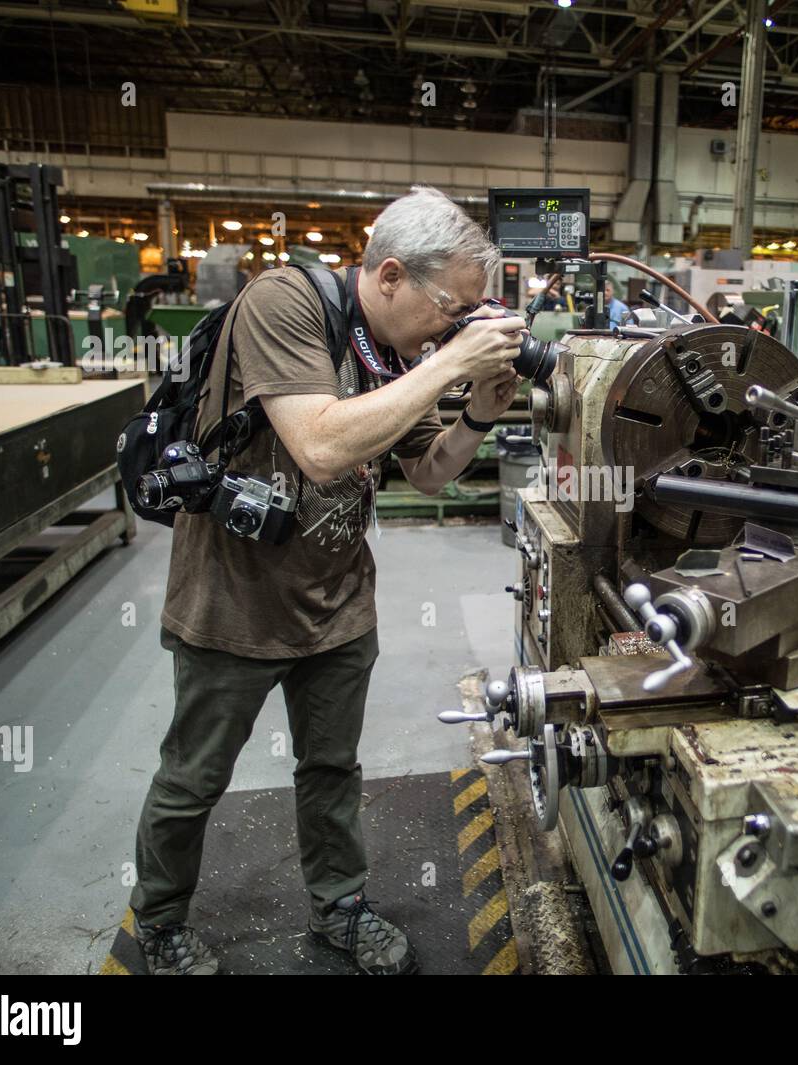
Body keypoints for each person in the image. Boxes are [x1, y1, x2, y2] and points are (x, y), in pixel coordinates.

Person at [128, 185, 523, 975]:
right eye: (452, 306)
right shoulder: (284, 302)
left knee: (332, 770)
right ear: (388, 275)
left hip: (338, 603)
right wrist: (450, 362)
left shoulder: (397, 357)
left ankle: (339, 906)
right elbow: (317, 446)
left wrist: (475, 411)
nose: (456, 325)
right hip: (233, 604)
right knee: (195, 775)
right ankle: (161, 919)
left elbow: (432, 471)